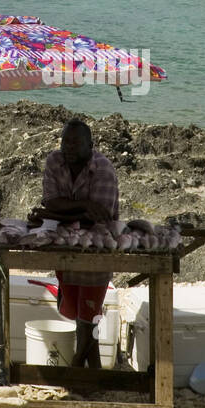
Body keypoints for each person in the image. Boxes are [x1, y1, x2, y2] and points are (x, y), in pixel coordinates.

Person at [29, 119, 119, 368]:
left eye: (75, 142)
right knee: (77, 315)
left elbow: (97, 217)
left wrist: (56, 214)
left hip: (97, 247)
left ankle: (77, 370)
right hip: (65, 247)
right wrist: (82, 205)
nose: (68, 147)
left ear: (90, 145)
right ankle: (94, 375)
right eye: (65, 141)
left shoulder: (103, 170)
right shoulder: (54, 161)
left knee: (89, 315)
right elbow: (50, 201)